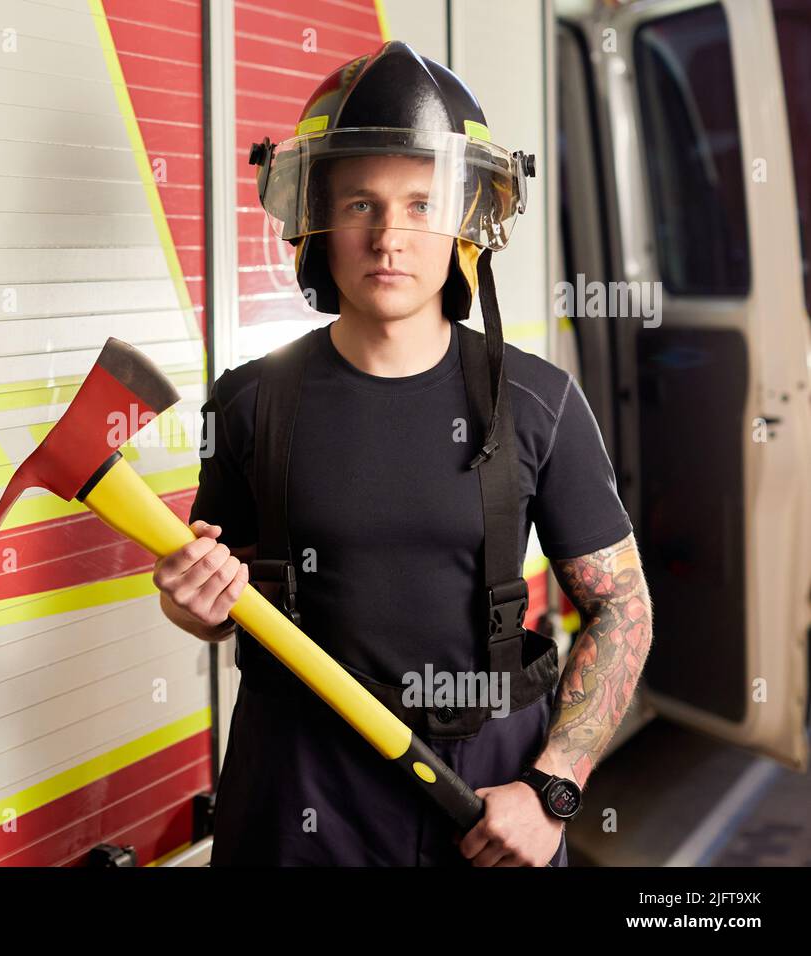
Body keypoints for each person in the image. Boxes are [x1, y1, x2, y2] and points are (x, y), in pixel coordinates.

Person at [154, 41, 653, 866]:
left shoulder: (537, 403)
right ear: (317, 220)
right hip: (296, 801)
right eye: (360, 205)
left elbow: (622, 608)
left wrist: (552, 791)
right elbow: (214, 602)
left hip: (487, 803)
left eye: (421, 204)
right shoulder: (247, 404)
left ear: (465, 221)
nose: (389, 236)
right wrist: (188, 603)